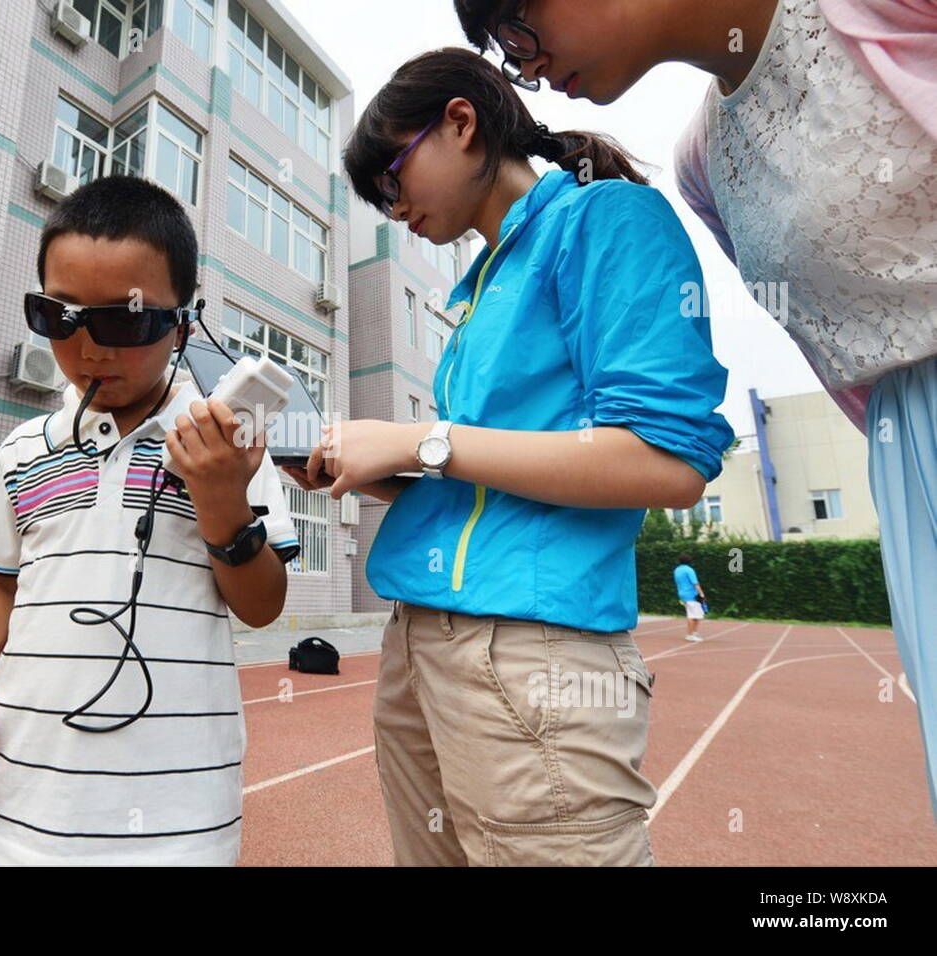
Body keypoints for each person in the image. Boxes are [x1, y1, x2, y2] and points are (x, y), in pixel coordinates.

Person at [454, 0, 937, 823]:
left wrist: (433, 446)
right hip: (908, 448)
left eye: (514, 24)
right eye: (503, 50)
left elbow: (664, 448)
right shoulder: (704, 165)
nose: (522, 64)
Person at [286, 47, 734, 866]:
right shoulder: (484, 285)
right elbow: (479, 488)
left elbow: (669, 462)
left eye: (391, 178)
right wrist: (374, 466)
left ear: (461, 122)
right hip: (417, 644)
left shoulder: (606, 222)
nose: (392, 209)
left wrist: (426, 441)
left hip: (532, 653)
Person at [0, 175, 301, 865]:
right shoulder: (24, 450)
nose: (88, 348)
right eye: (59, 316)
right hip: (10, 824)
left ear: (185, 323)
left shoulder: (228, 446)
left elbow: (262, 605)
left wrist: (223, 499)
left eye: (124, 321)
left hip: (177, 829)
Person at [674, 555, 706, 641]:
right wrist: (701, 593)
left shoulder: (677, 570)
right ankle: (690, 634)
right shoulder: (689, 570)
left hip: (682, 593)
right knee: (692, 615)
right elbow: (695, 583)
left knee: (697, 614)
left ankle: (694, 632)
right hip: (691, 594)